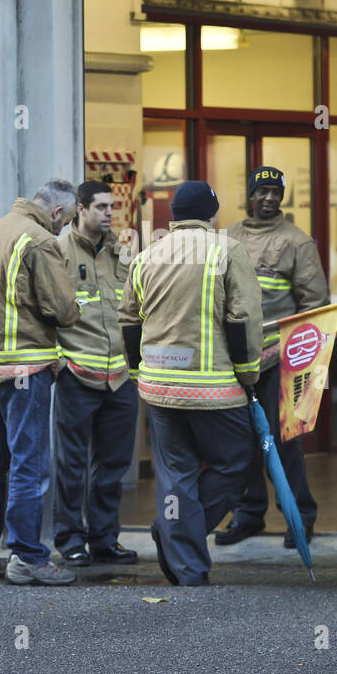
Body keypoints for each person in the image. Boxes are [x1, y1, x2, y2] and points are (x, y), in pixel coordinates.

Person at [119, 181, 262, 586]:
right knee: (236, 464)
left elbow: (129, 321)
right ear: (212, 215)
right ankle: (176, 534)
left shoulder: (146, 256)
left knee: (176, 473)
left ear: (174, 217)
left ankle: (186, 562)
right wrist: (249, 376)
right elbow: (243, 320)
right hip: (214, 387)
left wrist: (138, 374)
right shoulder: (226, 250)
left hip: (159, 386)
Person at [0, 179, 81, 586]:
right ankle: (28, 556)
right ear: (59, 213)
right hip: (24, 368)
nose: (62, 231)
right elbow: (62, 309)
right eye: (65, 223)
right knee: (29, 463)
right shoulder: (39, 241)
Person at [216, 166, 328, 547]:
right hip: (234, 357)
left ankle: (300, 518)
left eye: (275, 192)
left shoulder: (297, 242)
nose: (268, 197)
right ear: (250, 194)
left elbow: (315, 304)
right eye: (261, 190)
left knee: (284, 440)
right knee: (241, 439)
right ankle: (248, 516)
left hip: (278, 358)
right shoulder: (227, 237)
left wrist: (299, 357)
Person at [52, 181, 140, 567]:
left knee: (113, 465)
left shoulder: (122, 251)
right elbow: (42, 311)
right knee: (71, 465)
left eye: (112, 207)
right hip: (77, 374)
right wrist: (59, 363)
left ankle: (105, 539)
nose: (108, 213)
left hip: (120, 377)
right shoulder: (57, 252)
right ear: (80, 210)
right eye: (101, 207)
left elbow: (137, 305)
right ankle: (71, 540)